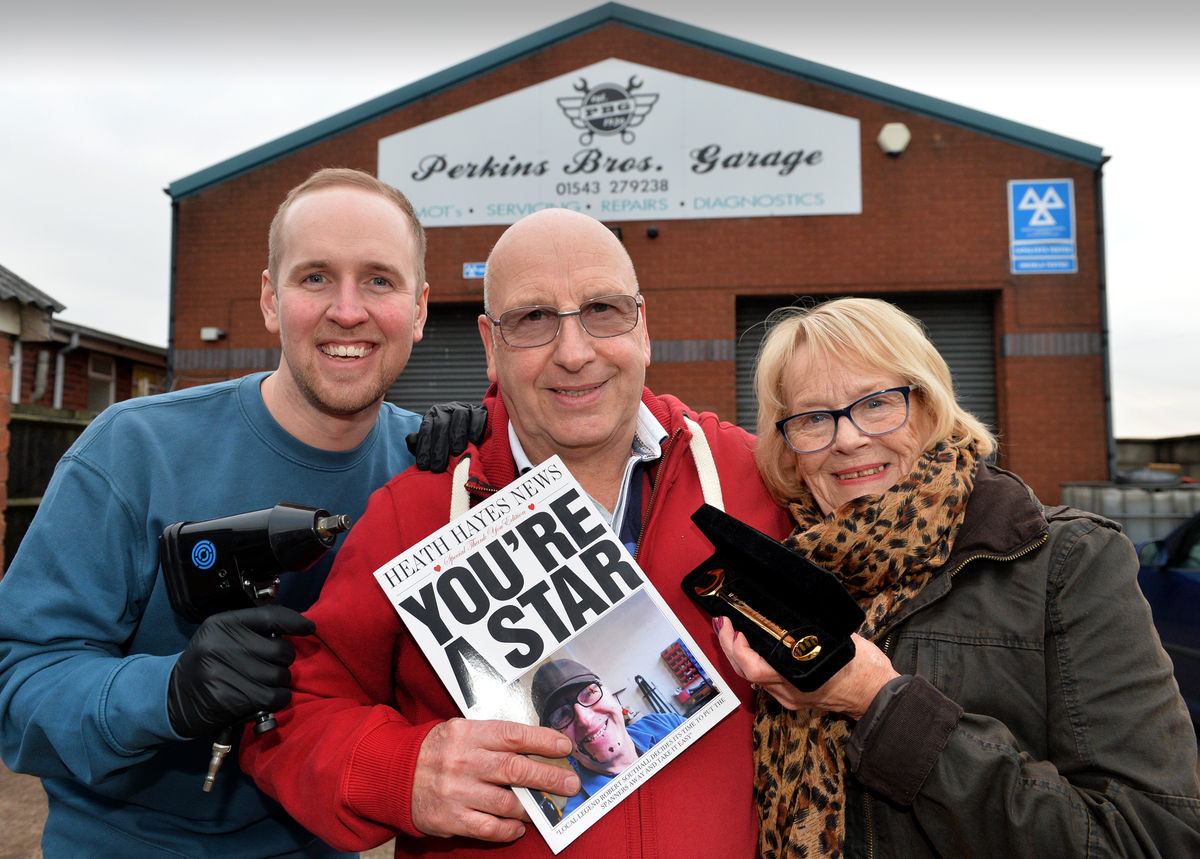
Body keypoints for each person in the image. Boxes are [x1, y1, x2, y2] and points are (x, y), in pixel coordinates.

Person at [239, 207, 792, 856]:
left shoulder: (753, 476)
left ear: (643, 326)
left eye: (603, 310)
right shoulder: (416, 511)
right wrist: (401, 770)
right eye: (532, 319)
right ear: (489, 345)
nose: (575, 353)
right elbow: (291, 708)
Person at [0, 167, 482, 857]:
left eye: (379, 280)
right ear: (269, 299)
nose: (348, 310)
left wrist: (501, 447)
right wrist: (167, 692)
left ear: (421, 308)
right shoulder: (133, 451)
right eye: (315, 277)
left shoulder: (436, 475)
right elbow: (18, 685)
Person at [714, 296, 1200, 857]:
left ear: (930, 405)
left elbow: (1149, 837)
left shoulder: (1066, 562)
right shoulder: (779, 575)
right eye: (813, 418)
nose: (846, 439)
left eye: (876, 403)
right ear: (788, 444)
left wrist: (878, 703)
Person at [529, 658, 685, 819]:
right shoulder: (581, 819)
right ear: (555, 736)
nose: (586, 720)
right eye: (561, 715)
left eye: (588, 694)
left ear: (609, 692)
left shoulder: (666, 724)